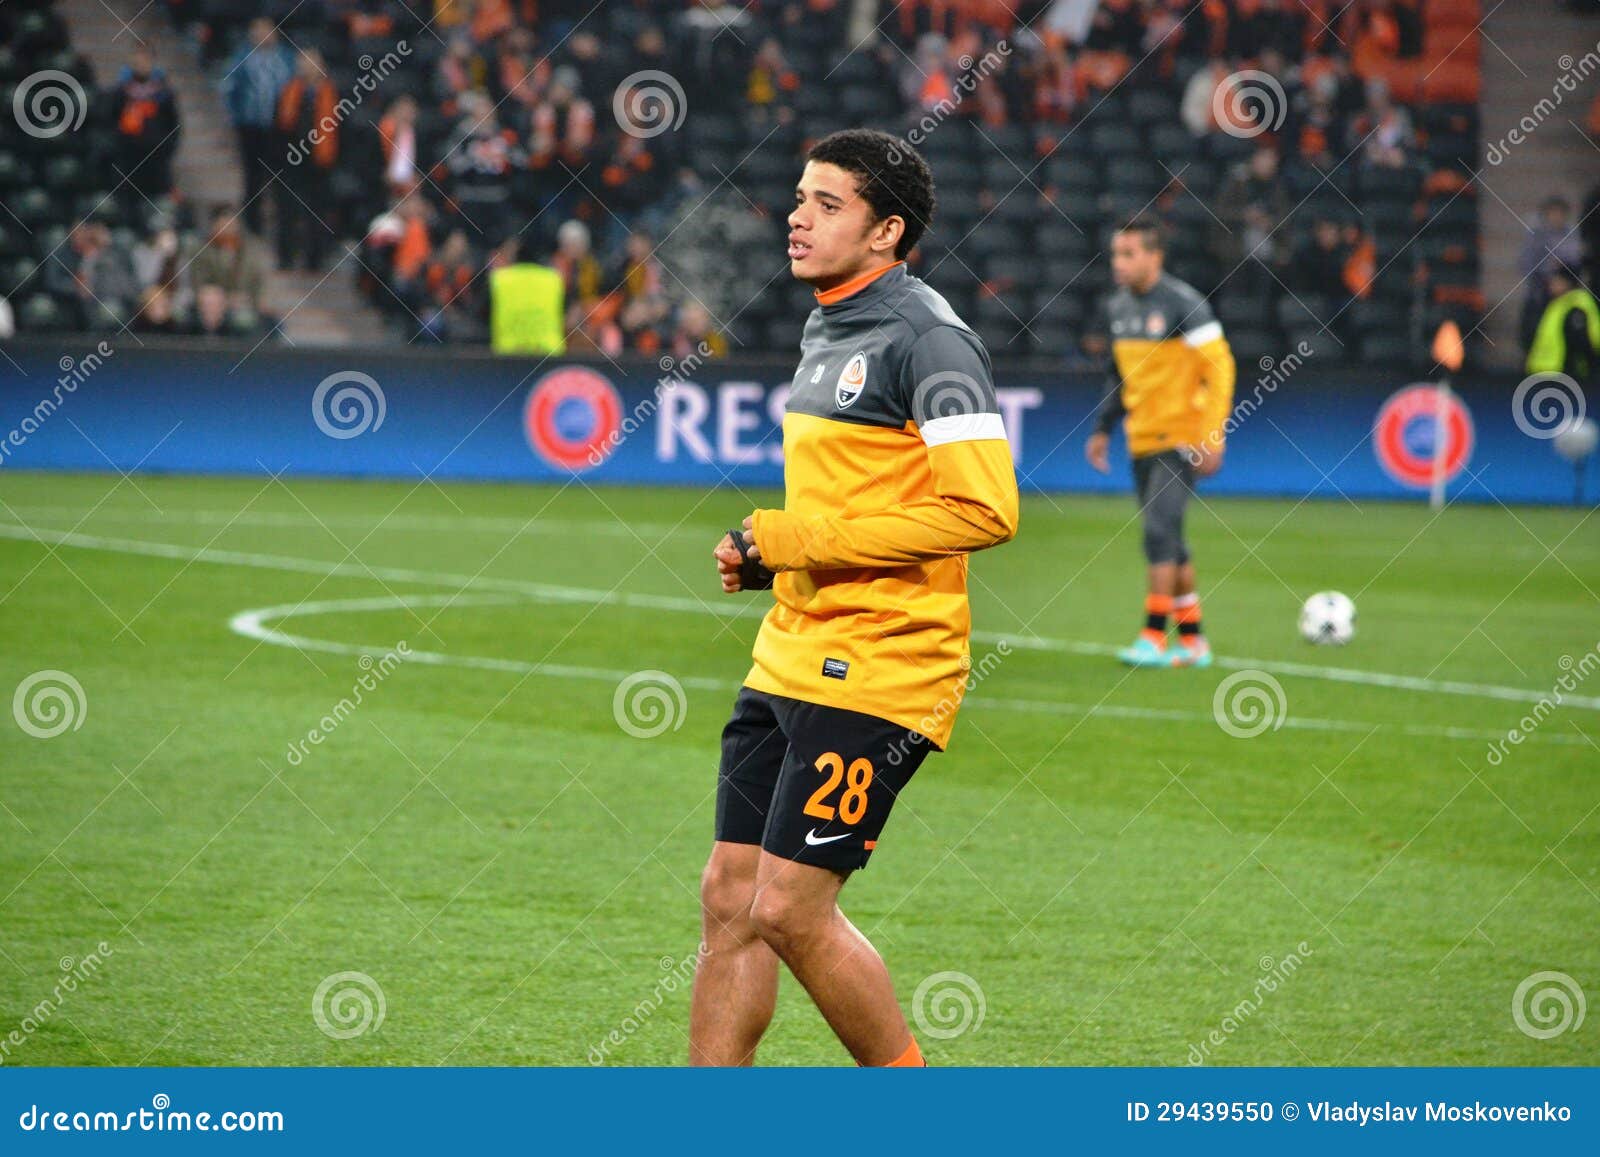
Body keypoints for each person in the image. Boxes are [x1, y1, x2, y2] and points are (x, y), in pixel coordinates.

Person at [690, 129, 1019, 1067]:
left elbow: (986, 509)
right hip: (792, 648)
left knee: (790, 907)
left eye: (827, 204)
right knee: (731, 893)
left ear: (887, 232)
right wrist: (773, 560)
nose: (797, 218)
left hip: (884, 665)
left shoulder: (929, 338)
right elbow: (853, 502)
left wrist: (801, 542)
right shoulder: (826, 321)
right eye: (800, 198)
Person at [1084, 216, 1236, 669]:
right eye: (1117, 253)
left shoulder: (1184, 304)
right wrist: (1103, 428)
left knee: (1158, 533)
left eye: (1129, 253)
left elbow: (1221, 368)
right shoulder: (1116, 307)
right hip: (1142, 439)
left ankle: (1153, 636)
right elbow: (1118, 376)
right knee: (1171, 539)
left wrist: (1212, 433)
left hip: (1182, 438)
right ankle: (1193, 641)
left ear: (1155, 257)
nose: (1119, 262)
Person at [1525, 264, 1600, 384]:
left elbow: (1581, 342)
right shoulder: (1557, 302)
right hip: (1546, 373)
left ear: (1567, 282)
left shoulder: (1577, 305)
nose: (1551, 283)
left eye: (1556, 279)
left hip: (1566, 375)